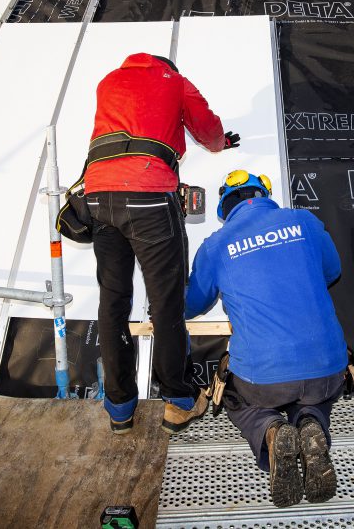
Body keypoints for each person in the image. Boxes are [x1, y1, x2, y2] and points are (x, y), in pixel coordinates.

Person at [84, 53, 238, 436]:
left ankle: (119, 407)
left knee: (113, 301)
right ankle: (179, 400)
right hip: (149, 197)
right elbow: (207, 129)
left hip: (98, 195)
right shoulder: (174, 81)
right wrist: (220, 145)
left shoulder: (108, 81)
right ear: (166, 65)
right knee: (166, 301)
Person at [184, 170, 348, 508]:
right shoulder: (304, 221)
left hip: (264, 378)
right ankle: (310, 422)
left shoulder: (216, 244)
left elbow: (191, 304)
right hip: (329, 368)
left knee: (232, 392)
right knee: (315, 389)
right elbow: (332, 271)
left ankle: (271, 430)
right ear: (264, 195)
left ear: (225, 208)